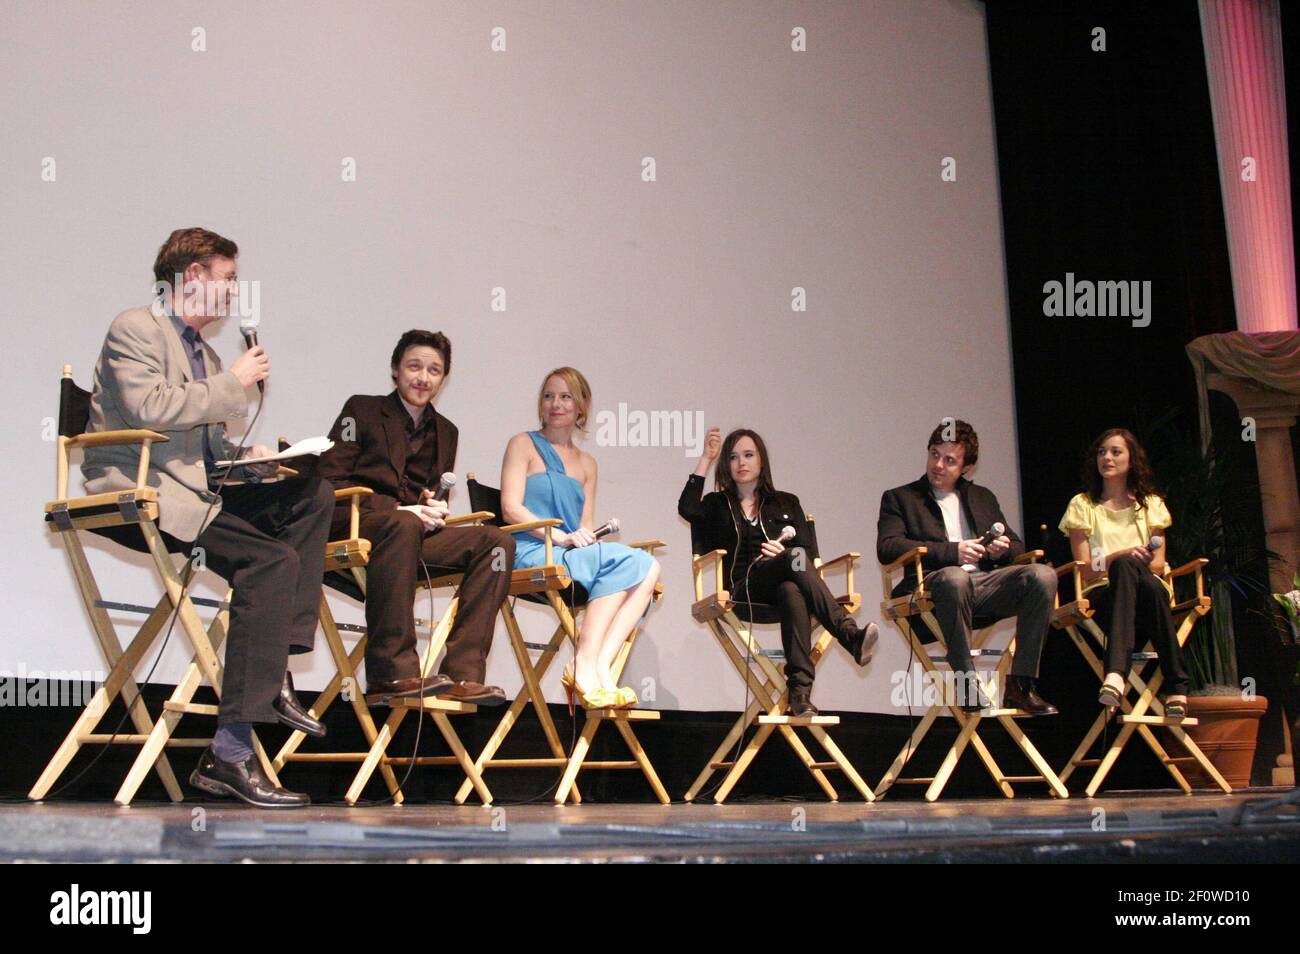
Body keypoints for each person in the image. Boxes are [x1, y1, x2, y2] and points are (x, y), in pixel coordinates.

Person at [82, 227, 334, 807]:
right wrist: (233, 384)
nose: (232, 291)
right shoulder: (135, 327)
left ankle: (278, 672)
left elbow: (207, 450)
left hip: (196, 489)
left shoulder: (209, 354)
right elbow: (151, 408)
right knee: (270, 564)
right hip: (144, 488)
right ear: (191, 275)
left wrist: (254, 461)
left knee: (311, 495)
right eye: (227, 278)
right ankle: (230, 754)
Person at [314, 330, 514, 705]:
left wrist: (431, 505)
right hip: (355, 523)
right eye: (414, 367)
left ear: (443, 378)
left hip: (407, 538)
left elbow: (425, 494)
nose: (423, 377)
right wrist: (399, 509)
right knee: (403, 523)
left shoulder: (447, 431)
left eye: (434, 370)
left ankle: (463, 675)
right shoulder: (362, 409)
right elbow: (328, 482)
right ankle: (392, 673)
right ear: (395, 370)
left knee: (497, 541)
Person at [678, 427, 878, 717]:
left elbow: (806, 554)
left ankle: (799, 696)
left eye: (748, 455)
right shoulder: (715, 503)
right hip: (742, 589)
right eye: (733, 457)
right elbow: (687, 508)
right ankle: (848, 633)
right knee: (793, 561)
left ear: (762, 461)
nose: (741, 463)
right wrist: (706, 459)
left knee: (792, 588)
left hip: (781, 588)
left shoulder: (787, 502)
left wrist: (784, 555)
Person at [500, 367, 660, 709]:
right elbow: (511, 509)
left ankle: (600, 663)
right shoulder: (522, 444)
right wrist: (557, 537)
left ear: (581, 406)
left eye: (565, 396)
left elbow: (585, 526)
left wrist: (581, 538)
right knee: (627, 564)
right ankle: (584, 663)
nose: (555, 403)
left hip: (570, 555)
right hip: (533, 549)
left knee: (648, 567)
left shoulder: (588, 464)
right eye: (548, 396)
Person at [877, 419, 1058, 714]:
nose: (938, 465)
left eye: (950, 460)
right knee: (955, 576)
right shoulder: (901, 498)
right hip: (932, 590)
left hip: (983, 589)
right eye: (934, 454)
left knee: (1043, 575)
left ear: (966, 467)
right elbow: (888, 548)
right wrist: (954, 551)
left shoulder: (981, 497)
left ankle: (1021, 685)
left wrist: (1002, 551)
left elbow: (1016, 547)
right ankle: (965, 681)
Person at [1059, 428, 1188, 717]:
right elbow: (1086, 570)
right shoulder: (1082, 505)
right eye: (1102, 452)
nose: (1107, 457)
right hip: (1103, 594)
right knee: (1124, 566)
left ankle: (1115, 673)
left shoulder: (1151, 504)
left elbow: (1157, 566)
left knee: (1152, 584)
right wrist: (1121, 556)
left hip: (1147, 592)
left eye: (1115, 452)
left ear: (1132, 460)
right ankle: (1177, 686)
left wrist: (1133, 559)